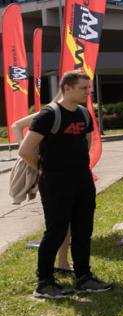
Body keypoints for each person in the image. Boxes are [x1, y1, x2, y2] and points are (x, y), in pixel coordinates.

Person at [19, 70, 113, 299]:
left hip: (82, 180)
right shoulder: (48, 115)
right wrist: (42, 168)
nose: (88, 92)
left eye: (89, 88)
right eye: (83, 88)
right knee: (56, 231)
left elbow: (87, 142)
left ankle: (84, 277)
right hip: (55, 182)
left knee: (83, 230)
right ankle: (44, 283)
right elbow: (25, 150)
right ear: (67, 88)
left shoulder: (83, 114)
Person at [11, 99, 73, 275]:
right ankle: (55, 266)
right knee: (57, 221)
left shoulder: (72, 114)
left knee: (63, 220)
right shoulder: (48, 114)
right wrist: (25, 148)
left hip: (62, 170)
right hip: (45, 169)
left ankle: (62, 261)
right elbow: (16, 125)